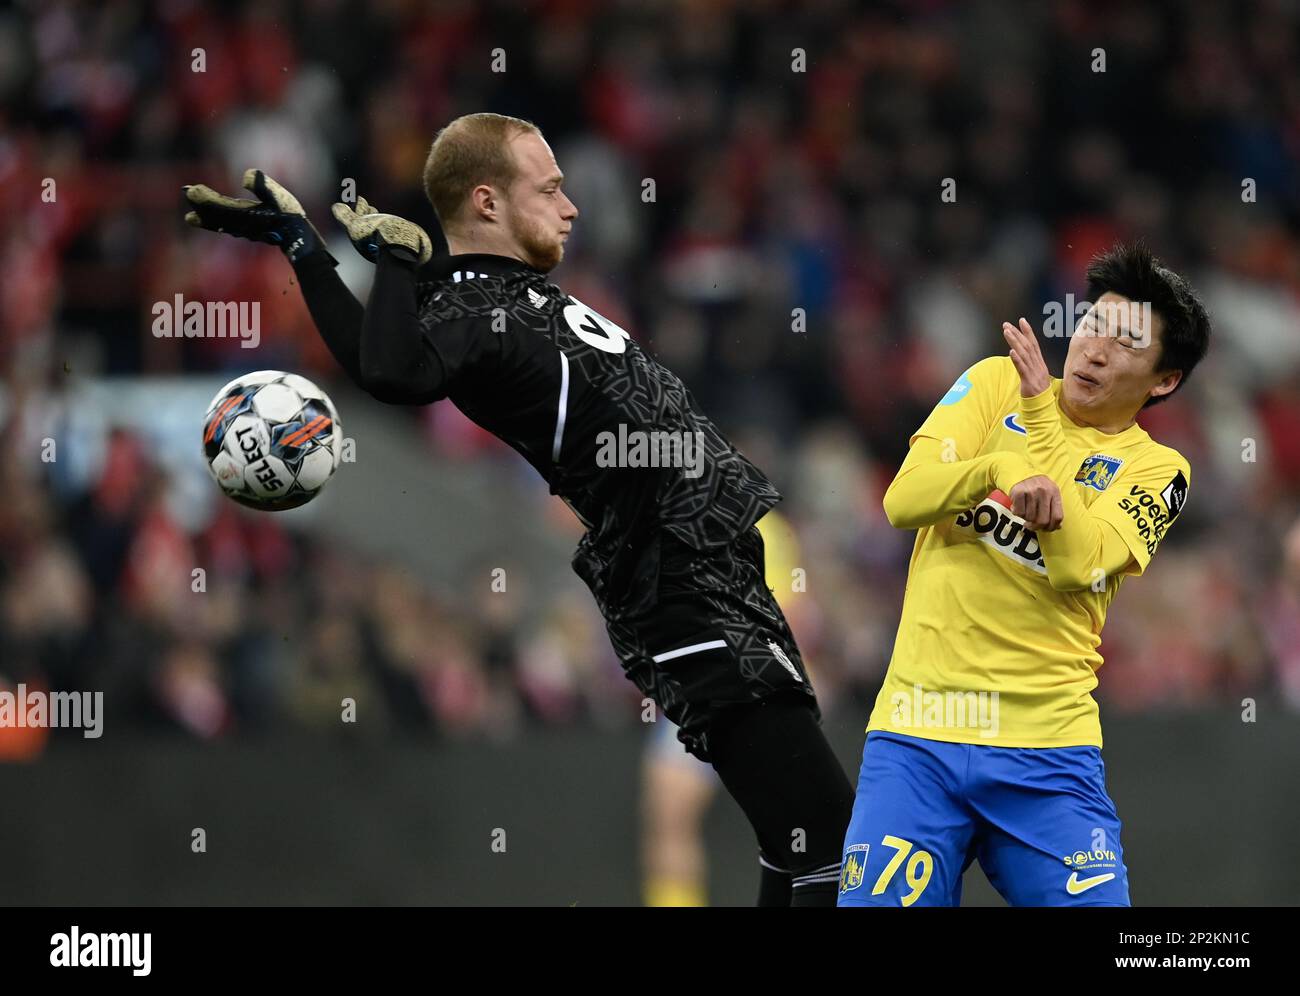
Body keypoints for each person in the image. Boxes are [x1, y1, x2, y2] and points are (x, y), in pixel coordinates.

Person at [183, 112, 854, 906]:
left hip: (715, 572)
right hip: (680, 579)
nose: (572, 207)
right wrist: (392, 261)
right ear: (488, 202)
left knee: (795, 840)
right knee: (829, 843)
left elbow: (382, 352)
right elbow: (391, 372)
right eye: (551, 189)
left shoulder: (501, 298)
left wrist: (305, 246)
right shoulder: (473, 315)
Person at [837, 244, 1209, 907]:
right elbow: (904, 500)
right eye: (1092, 325)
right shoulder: (989, 383)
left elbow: (1077, 564)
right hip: (920, 733)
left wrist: (1040, 418)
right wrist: (993, 470)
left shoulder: (1158, 471)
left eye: (1125, 343)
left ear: (1164, 380)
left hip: (1046, 753)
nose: (1093, 349)